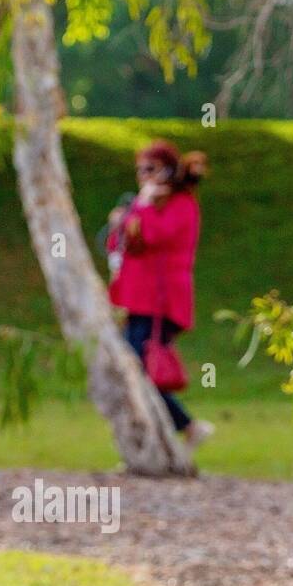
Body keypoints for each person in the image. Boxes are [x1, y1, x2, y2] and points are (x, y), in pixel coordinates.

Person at [106, 140, 213, 449]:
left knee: (136, 368)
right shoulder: (146, 203)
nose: (143, 176)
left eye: (150, 169)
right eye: (139, 170)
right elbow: (119, 243)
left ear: (168, 169)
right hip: (137, 300)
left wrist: (142, 206)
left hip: (162, 303)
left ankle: (186, 426)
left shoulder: (183, 205)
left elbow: (155, 235)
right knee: (132, 369)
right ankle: (161, 435)